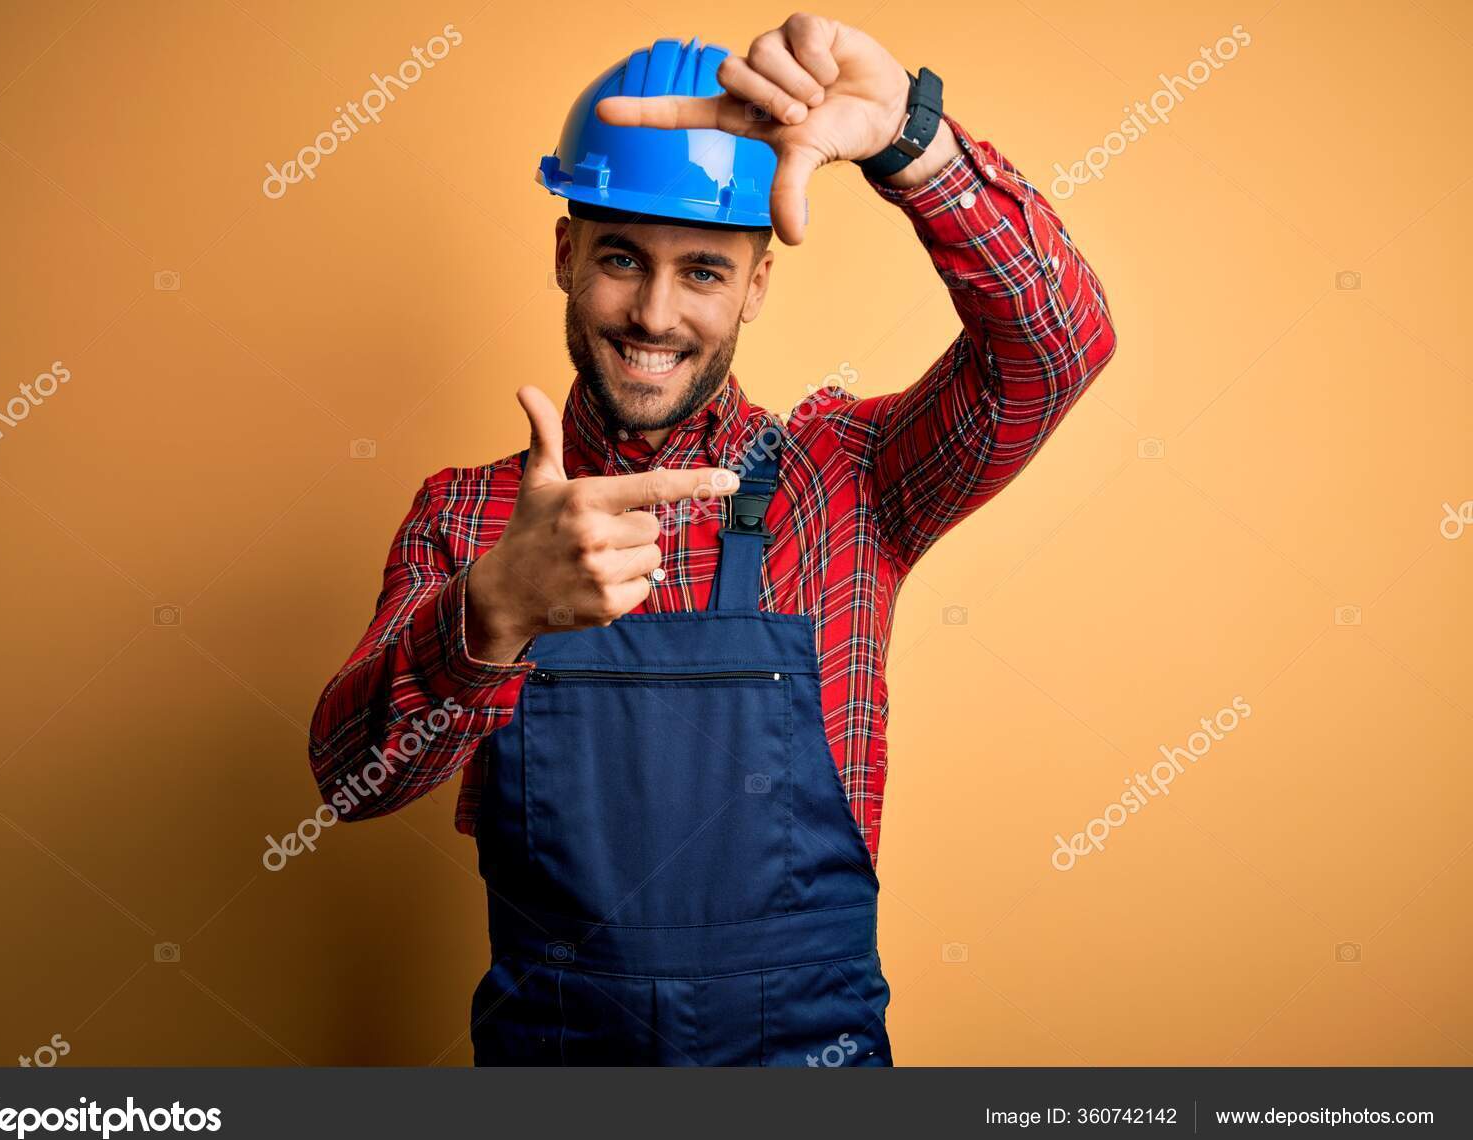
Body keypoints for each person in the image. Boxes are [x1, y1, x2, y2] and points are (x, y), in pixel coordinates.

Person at [308, 13, 1117, 1066]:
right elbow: (351, 783)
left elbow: (1058, 349)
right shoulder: (466, 516)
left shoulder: (850, 482)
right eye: (618, 258)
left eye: (701, 269)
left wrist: (913, 143)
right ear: (564, 253)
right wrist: (493, 611)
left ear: (755, 285)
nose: (652, 314)